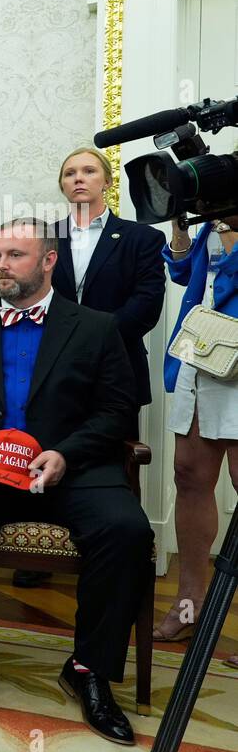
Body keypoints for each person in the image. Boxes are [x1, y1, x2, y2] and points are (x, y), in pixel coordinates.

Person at [0, 217, 153, 745]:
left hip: (73, 471)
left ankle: (90, 669)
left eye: (15, 255)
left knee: (127, 530)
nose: (1, 267)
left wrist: (67, 452)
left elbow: (116, 409)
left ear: (48, 261)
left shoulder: (94, 327)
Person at [14, 147, 166, 587]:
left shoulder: (140, 238)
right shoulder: (44, 239)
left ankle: (111, 555)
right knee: (44, 451)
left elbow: (146, 305)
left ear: (107, 181)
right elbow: (28, 297)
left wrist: (89, 339)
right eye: (69, 173)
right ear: (62, 185)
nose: (79, 178)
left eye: (89, 171)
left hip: (116, 368)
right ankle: (37, 554)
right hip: (49, 371)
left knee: (107, 463)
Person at [160, 214, 238, 664]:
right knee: (188, 475)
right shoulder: (213, 210)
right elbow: (182, 273)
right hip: (202, 352)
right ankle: (190, 606)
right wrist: (183, 228)